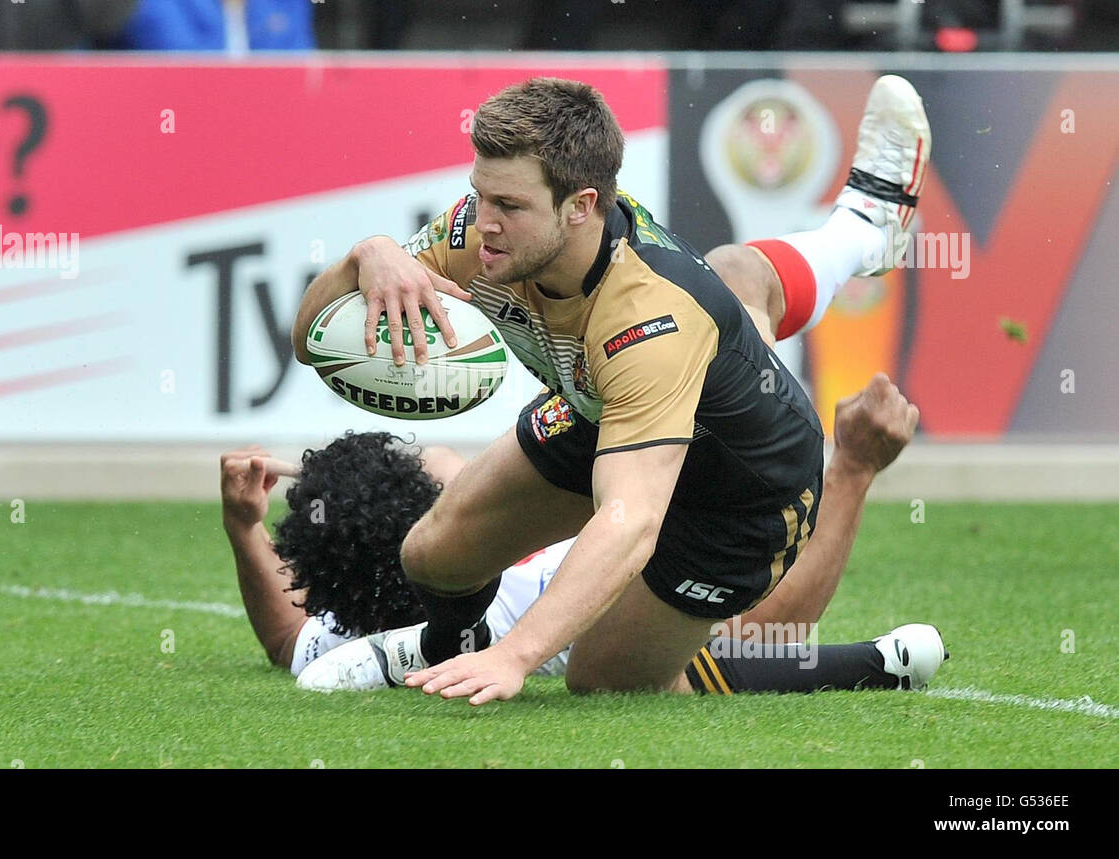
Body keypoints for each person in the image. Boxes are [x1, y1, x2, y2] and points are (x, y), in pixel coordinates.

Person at [290, 75, 930, 704]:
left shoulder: (648, 319)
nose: (481, 222)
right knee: (433, 556)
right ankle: (450, 647)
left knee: (605, 681)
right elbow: (308, 342)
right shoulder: (478, 236)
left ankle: (877, 662)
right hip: (611, 411)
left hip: (741, 488)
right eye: (478, 195)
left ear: (580, 206)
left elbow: (629, 520)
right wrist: (365, 256)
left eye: (508, 206)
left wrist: (515, 658)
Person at [221, 375, 948, 696]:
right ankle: (859, 222)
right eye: (418, 468)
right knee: (644, 675)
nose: (434, 459)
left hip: (692, 442)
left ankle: (860, 222)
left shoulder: (349, 626)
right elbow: (771, 625)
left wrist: (245, 529)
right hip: (715, 470)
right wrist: (853, 468)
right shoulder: (533, 590)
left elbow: (288, 639)